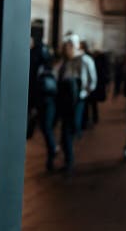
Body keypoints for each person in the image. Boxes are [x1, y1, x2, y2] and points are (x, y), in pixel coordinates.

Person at [55, 33, 97, 171]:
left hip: (77, 99)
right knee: (66, 129)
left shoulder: (85, 60)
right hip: (65, 99)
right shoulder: (66, 61)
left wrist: (83, 93)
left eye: (67, 47)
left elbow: (92, 81)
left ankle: (69, 160)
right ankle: (68, 158)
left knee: (69, 129)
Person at [27, 36, 51, 139]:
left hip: (36, 86)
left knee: (33, 110)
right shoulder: (32, 52)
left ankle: (30, 131)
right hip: (31, 85)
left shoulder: (38, 53)